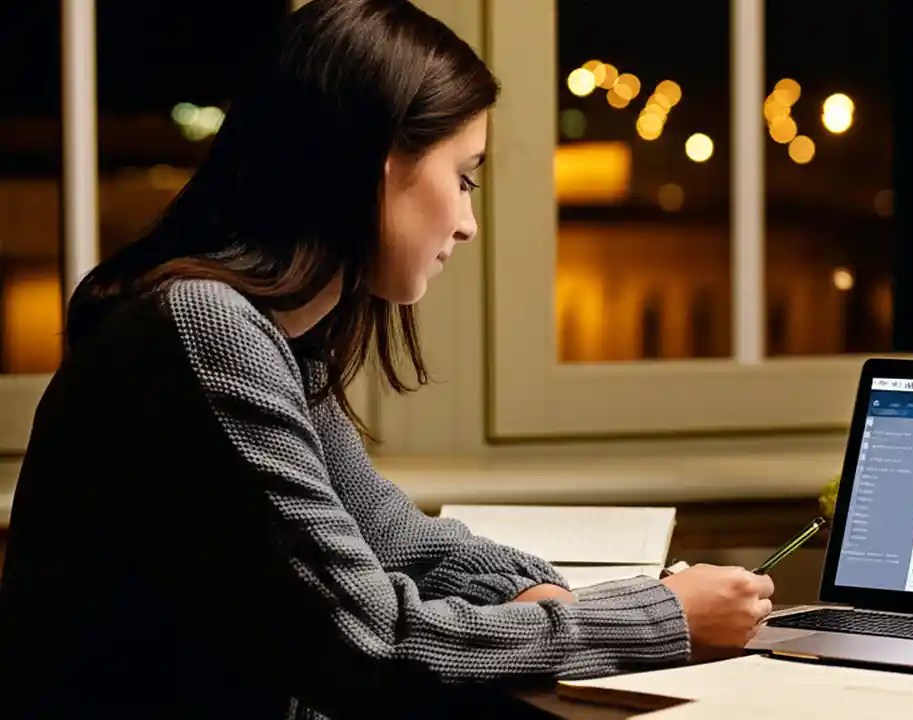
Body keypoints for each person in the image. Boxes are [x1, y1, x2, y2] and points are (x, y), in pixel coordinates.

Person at [0, 1, 773, 717]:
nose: (468, 223)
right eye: (463, 177)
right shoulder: (204, 329)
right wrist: (659, 618)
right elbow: (372, 646)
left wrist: (544, 595)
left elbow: (391, 534)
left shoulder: (269, 334)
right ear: (377, 165)